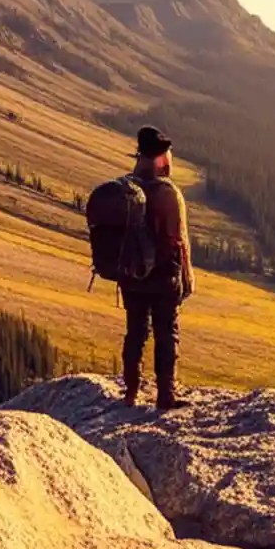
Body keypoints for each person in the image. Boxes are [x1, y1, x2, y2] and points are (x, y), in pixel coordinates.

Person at [120, 126, 195, 410]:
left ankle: (131, 393)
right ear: (163, 156)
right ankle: (166, 395)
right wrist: (185, 277)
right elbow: (178, 239)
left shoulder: (127, 188)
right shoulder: (167, 192)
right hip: (164, 275)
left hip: (132, 274)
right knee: (166, 331)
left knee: (135, 332)